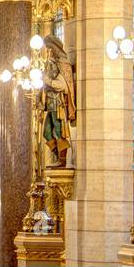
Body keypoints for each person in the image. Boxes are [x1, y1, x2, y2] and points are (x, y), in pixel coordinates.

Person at [42, 35, 76, 168]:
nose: (48, 51)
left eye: (50, 48)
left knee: (58, 131)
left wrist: (48, 81)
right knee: (47, 132)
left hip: (58, 105)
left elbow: (63, 86)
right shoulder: (52, 64)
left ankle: (62, 160)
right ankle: (58, 156)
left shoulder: (62, 64)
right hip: (50, 104)